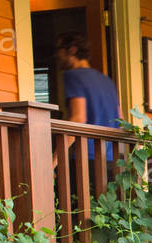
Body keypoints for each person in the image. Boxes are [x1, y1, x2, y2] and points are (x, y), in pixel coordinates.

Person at [54, 33, 120, 161]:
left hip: (86, 158)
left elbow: (78, 118)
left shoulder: (74, 76)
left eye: (59, 50)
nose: (57, 55)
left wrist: (54, 161)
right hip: (112, 158)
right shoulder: (107, 81)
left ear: (72, 50)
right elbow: (120, 119)